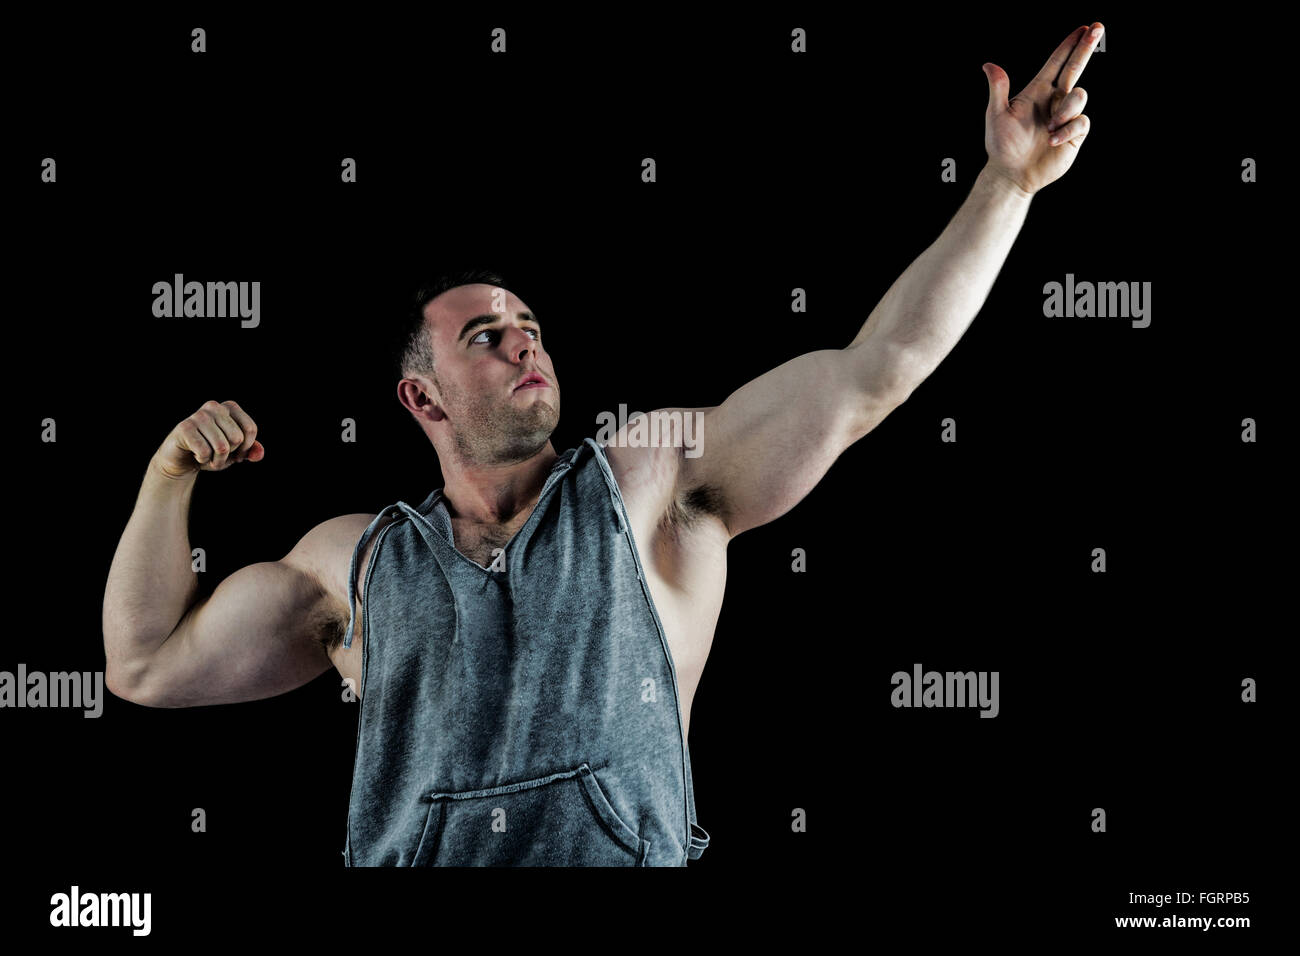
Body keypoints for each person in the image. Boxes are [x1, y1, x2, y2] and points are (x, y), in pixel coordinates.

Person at [101, 21, 1103, 865]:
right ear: (422, 397)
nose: (525, 344)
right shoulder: (355, 562)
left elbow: (872, 371)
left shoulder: (652, 481)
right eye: (485, 337)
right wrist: (166, 476)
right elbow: (143, 665)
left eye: (531, 326)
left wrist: (1005, 186)